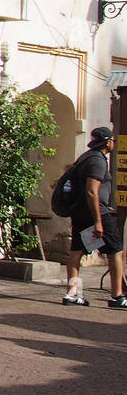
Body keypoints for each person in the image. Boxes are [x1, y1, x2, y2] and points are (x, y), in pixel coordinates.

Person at [65, 126, 125, 308]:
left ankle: (72, 294)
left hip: (80, 212)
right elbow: (92, 191)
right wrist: (98, 221)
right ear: (108, 142)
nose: (113, 143)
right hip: (97, 212)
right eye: (113, 140)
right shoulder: (98, 161)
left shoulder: (85, 157)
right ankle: (117, 296)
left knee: (76, 251)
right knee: (115, 251)